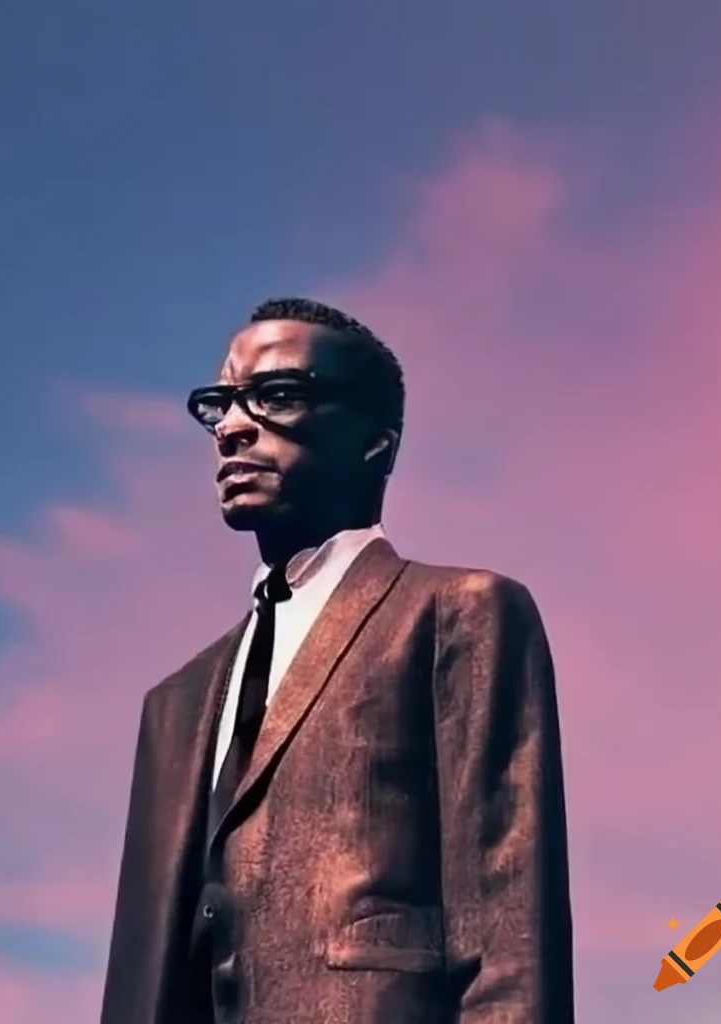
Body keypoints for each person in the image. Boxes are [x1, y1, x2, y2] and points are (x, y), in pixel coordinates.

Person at [100, 298, 574, 1024]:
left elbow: (511, 931)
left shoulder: (457, 614)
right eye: (221, 403)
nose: (231, 426)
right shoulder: (176, 703)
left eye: (277, 396)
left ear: (375, 444)